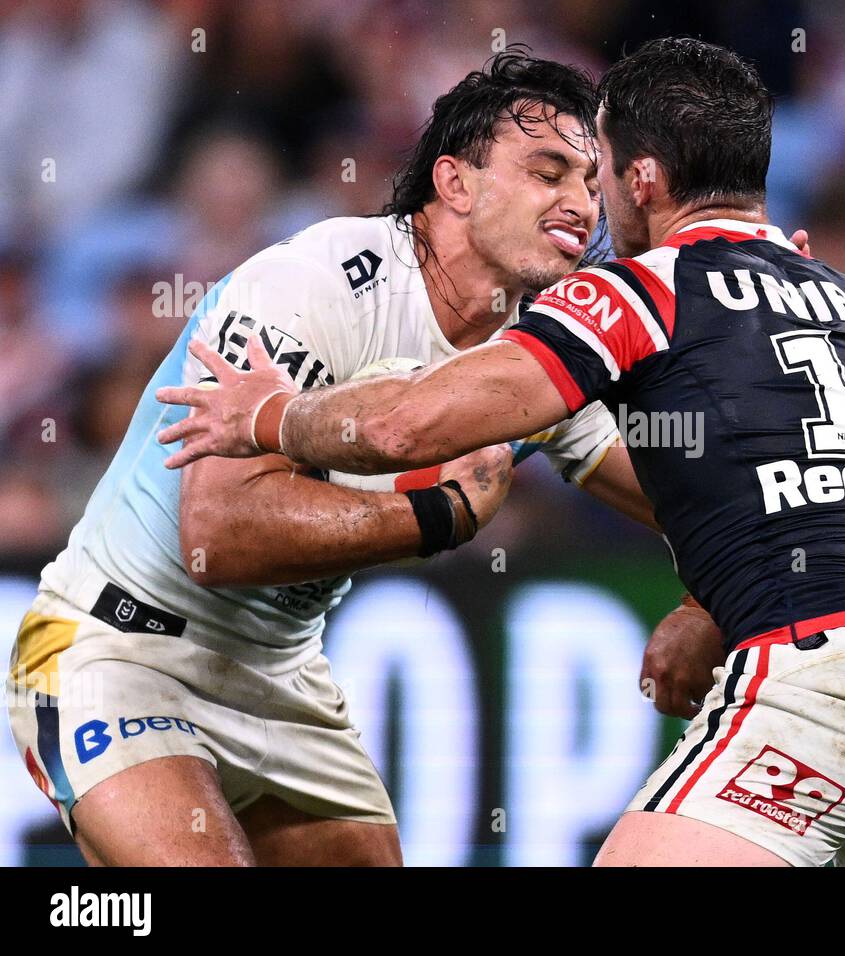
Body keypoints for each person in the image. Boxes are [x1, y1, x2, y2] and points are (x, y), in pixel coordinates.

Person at [156, 38, 845, 868]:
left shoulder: (640, 290)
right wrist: (711, 603)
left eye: (597, 168)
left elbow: (406, 427)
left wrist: (271, 417)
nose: (590, 200)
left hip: (830, 681)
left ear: (642, 178)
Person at [6, 50, 654, 867]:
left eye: (591, 183)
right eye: (548, 173)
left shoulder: (542, 343)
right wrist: (438, 515)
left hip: (281, 675)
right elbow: (218, 534)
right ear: (454, 183)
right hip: (119, 648)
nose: (580, 204)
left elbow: (676, 499)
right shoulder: (319, 281)